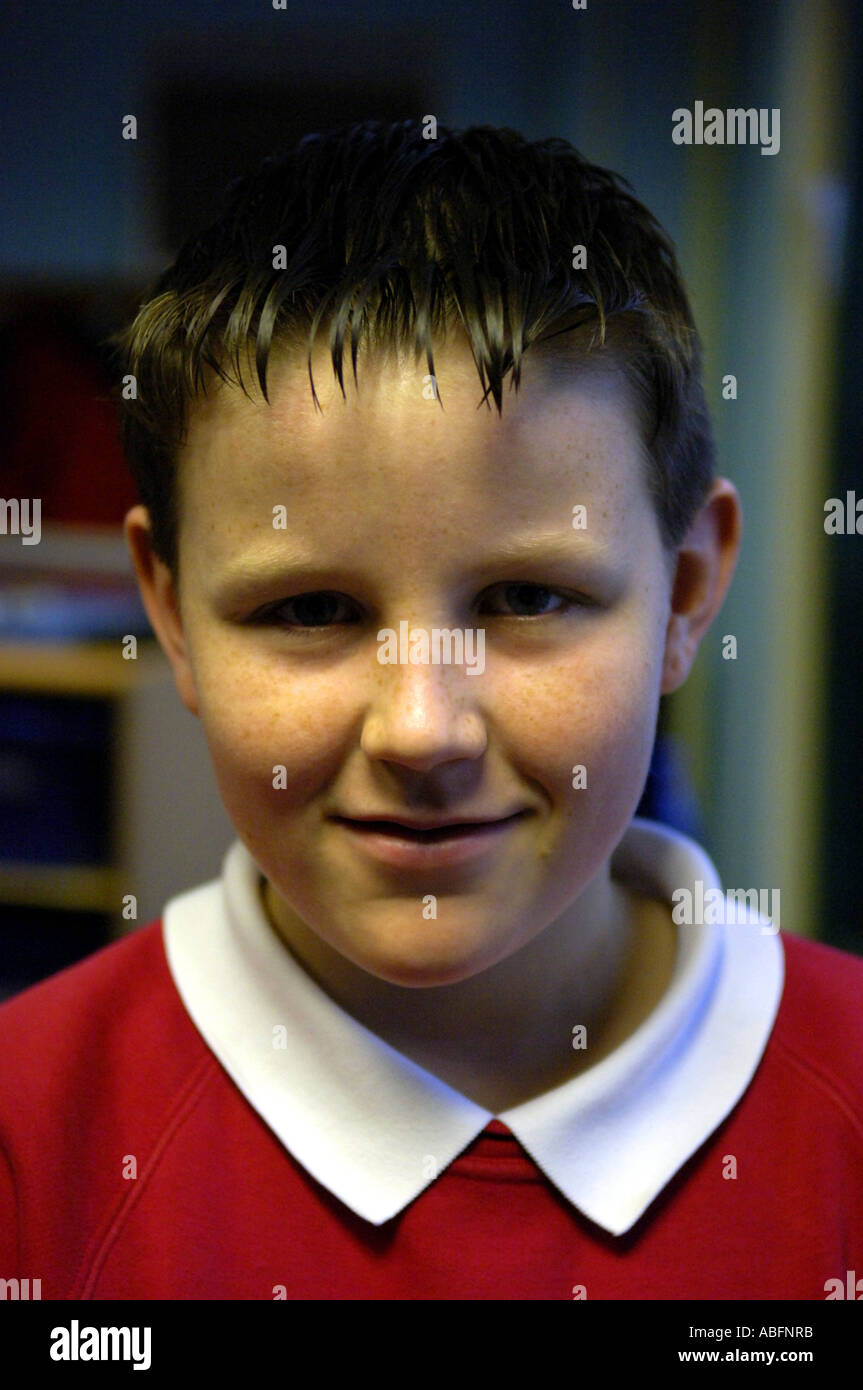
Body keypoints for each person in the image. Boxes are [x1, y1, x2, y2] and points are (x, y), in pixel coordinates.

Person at [1, 119, 860, 1301]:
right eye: (309, 611)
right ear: (176, 613)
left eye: (524, 598)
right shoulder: (29, 1144)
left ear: (687, 590)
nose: (421, 729)